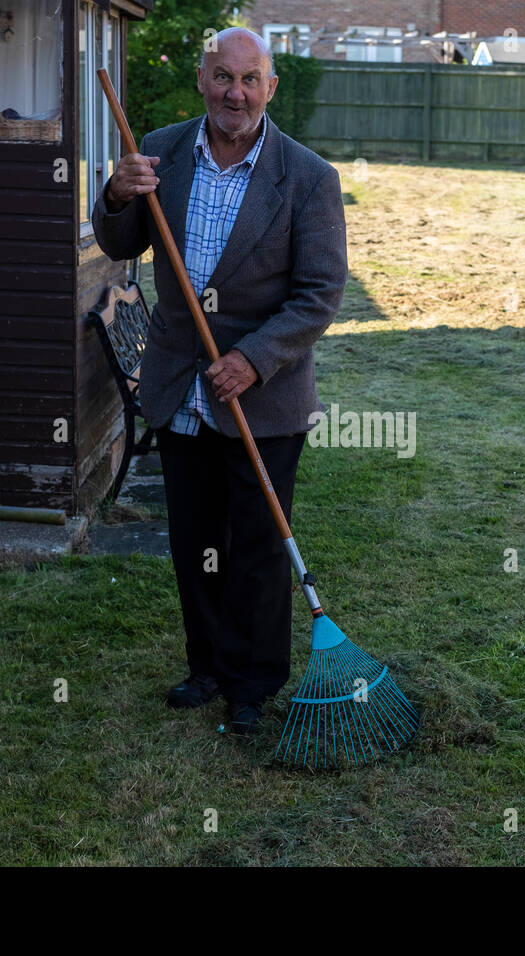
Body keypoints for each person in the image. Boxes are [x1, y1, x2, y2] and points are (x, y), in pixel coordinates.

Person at [91, 27, 348, 736]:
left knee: (260, 547)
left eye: (250, 79)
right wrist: (115, 193)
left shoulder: (307, 178)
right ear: (203, 81)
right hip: (180, 383)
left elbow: (321, 292)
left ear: (270, 88)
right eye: (223, 77)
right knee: (195, 539)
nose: (235, 92)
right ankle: (206, 666)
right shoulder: (164, 151)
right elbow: (121, 243)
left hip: (263, 394)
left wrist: (256, 357)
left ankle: (251, 684)